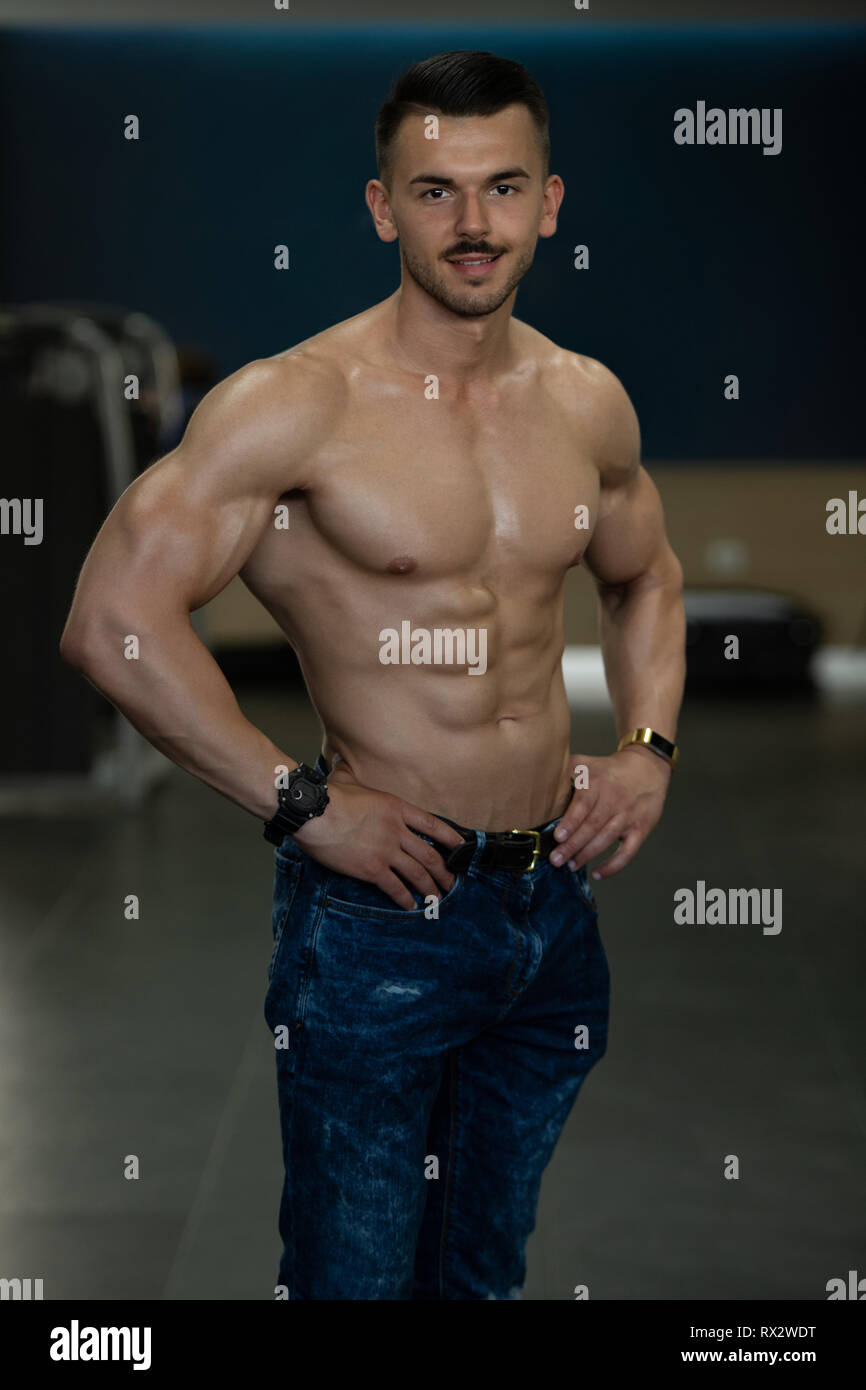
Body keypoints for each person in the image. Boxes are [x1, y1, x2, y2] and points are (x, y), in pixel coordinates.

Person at [60, 49, 686, 1300]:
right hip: (377, 914)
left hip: (546, 906)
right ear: (380, 205)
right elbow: (109, 619)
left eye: (503, 188)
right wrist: (302, 802)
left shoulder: (585, 401)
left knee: (483, 1273)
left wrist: (647, 747)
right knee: (352, 1283)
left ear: (549, 202)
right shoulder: (293, 405)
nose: (473, 224)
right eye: (436, 190)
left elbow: (644, 576)